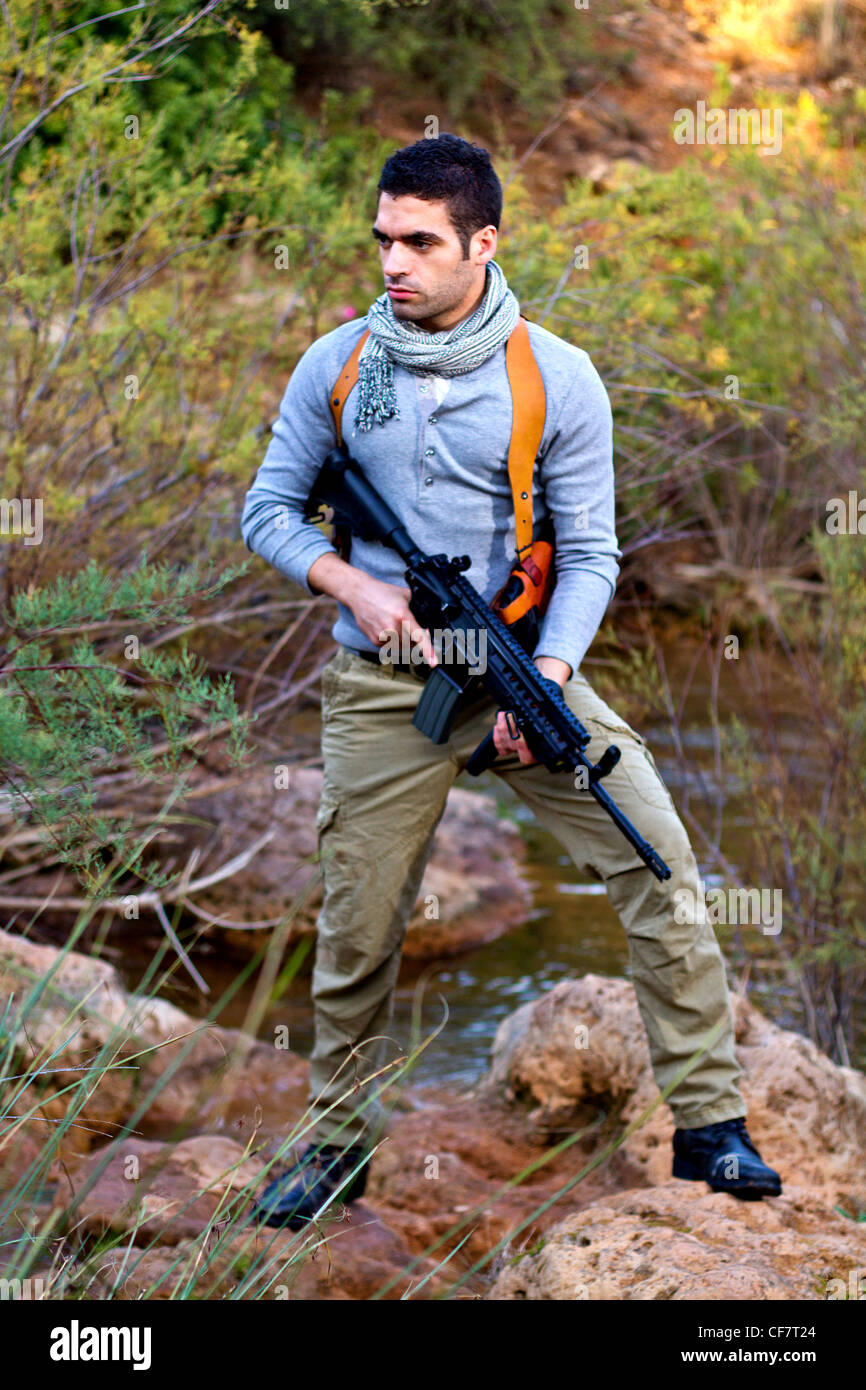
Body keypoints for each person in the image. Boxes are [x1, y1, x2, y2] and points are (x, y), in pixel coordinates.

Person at [239, 133, 781, 1229]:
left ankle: (708, 1127)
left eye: (420, 243)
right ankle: (336, 1141)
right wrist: (351, 583)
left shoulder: (556, 373)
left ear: (481, 244)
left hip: (523, 666)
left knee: (660, 869)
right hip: (384, 683)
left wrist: (549, 674)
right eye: (383, 239)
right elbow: (266, 512)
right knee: (357, 924)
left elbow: (590, 552)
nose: (393, 262)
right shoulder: (336, 363)